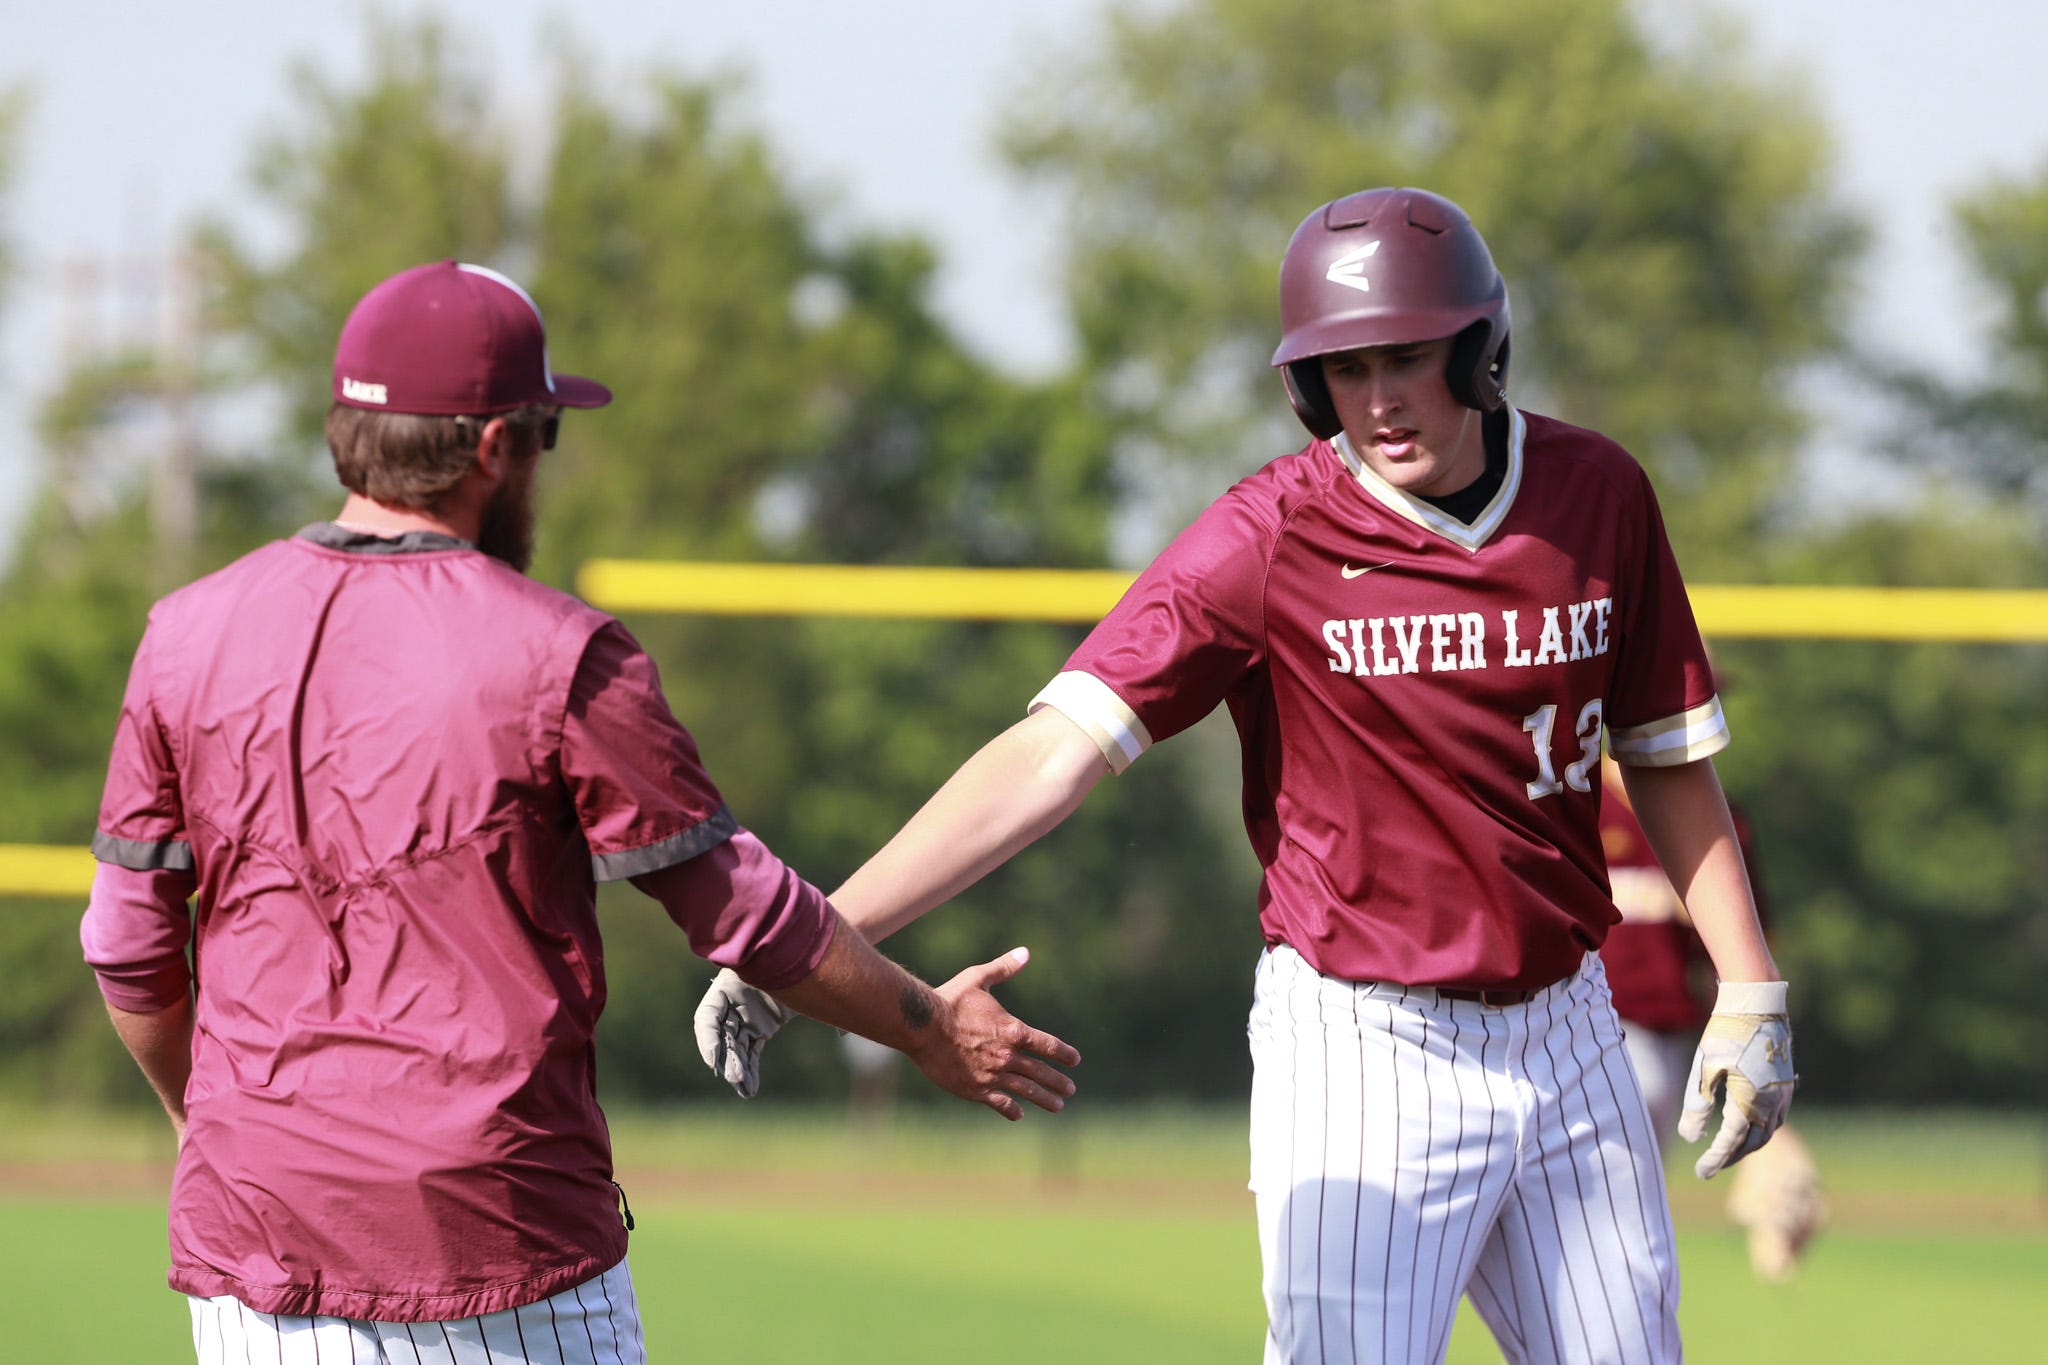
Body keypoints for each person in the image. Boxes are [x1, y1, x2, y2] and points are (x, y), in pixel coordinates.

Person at [696, 188, 1797, 1364]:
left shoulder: (1598, 496)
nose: (1375, 398)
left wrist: (1748, 985)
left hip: (1571, 1026)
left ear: (1479, 351)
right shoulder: (1269, 535)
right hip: (1369, 1049)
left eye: (1407, 358)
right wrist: (813, 932)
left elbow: (1667, 759)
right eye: (1341, 367)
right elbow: (1050, 756)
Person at [80, 259, 1079, 1365]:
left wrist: (215, 1131)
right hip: (494, 1244)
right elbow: (746, 918)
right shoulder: (559, 655)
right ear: (498, 447)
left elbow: (129, 948)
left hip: (254, 1254)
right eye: (544, 436)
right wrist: (927, 1029)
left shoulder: (185, 633)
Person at [1599, 757, 1826, 1282]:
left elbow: (1749, 952)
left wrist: (1758, 1056)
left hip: (1673, 1038)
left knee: (1623, 1213)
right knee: (1617, 1216)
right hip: (1585, 1028)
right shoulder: (1574, 796)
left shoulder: (1719, 820)